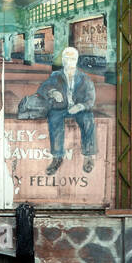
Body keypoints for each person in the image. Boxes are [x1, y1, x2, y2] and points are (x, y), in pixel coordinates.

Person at [35, 46, 97, 175]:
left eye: (73, 59)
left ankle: (88, 155)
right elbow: (42, 88)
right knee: (54, 118)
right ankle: (57, 157)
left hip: (78, 108)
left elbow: (90, 99)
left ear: (77, 60)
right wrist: (53, 92)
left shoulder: (84, 78)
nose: (70, 62)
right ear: (63, 60)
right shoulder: (56, 75)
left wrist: (80, 106)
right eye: (67, 59)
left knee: (88, 118)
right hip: (61, 108)